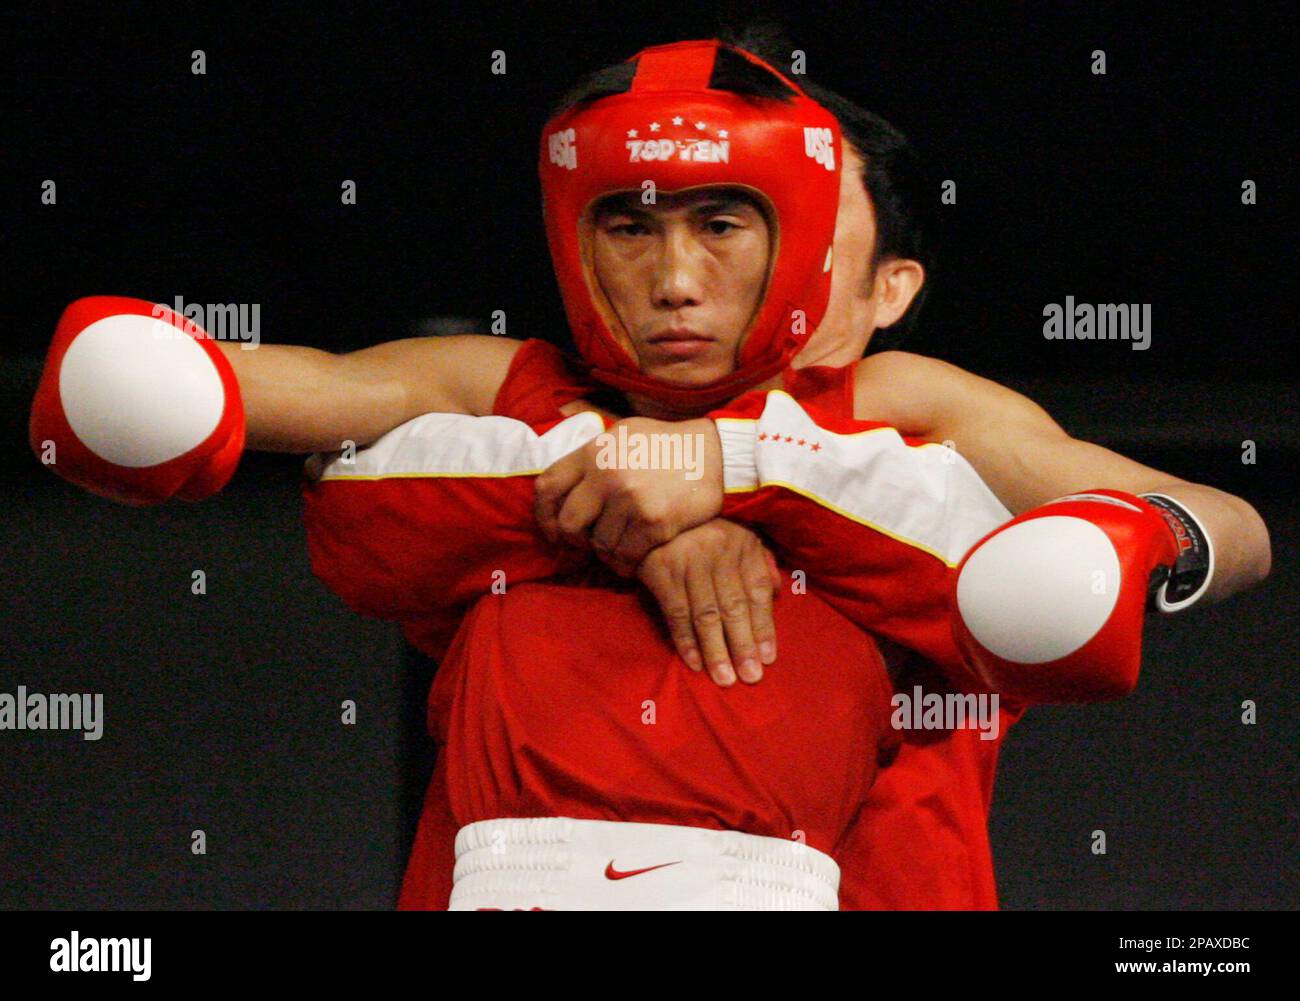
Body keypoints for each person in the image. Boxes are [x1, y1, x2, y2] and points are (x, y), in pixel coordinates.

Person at [30, 40, 1271, 908]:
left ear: (872, 277)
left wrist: (736, 465)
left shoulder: (906, 409)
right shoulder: (512, 386)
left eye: (731, 226)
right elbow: (206, 385)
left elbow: (1226, 523)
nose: (681, 278)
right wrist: (639, 504)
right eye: (635, 223)